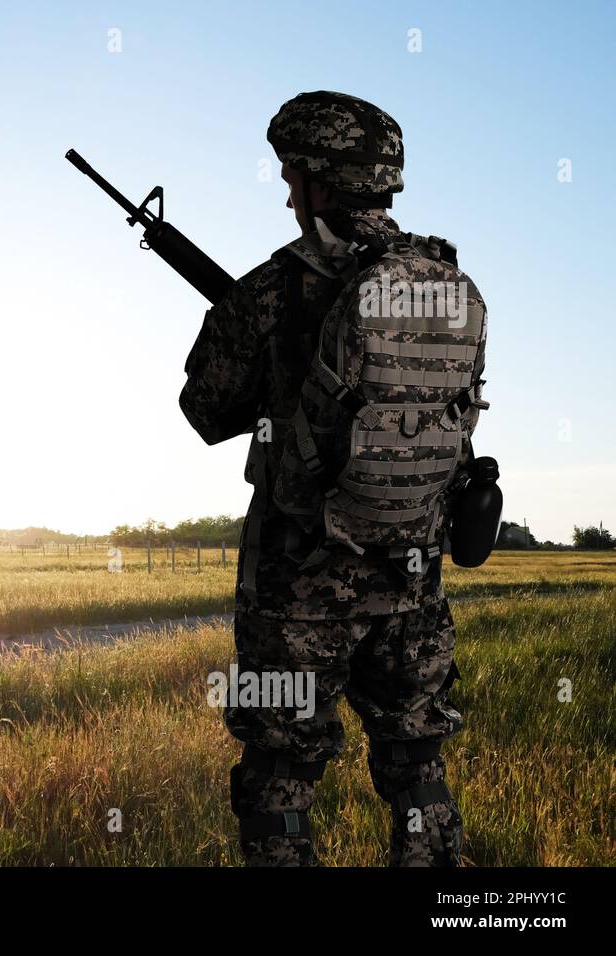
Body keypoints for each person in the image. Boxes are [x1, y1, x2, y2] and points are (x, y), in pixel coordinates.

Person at [179, 91, 485, 866]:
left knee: (278, 778)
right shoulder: (446, 283)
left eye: (291, 177)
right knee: (418, 769)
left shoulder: (270, 289)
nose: (286, 195)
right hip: (413, 586)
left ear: (319, 179)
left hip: (297, 589)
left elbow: (205, 411)